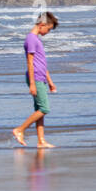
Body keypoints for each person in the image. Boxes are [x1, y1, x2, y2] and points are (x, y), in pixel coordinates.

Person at [12, 12, 59, 148]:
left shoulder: (36, 39)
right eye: (48, 29)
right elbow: (30, 63)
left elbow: (43, 64)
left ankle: (41, 141)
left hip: (41, 78)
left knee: (40, 111)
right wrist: (32, 83)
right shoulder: (31, 39)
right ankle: (20, 129)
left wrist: (50, 81)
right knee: (44, 108)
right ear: (42, 24)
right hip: (36, 79)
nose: (48, 32)